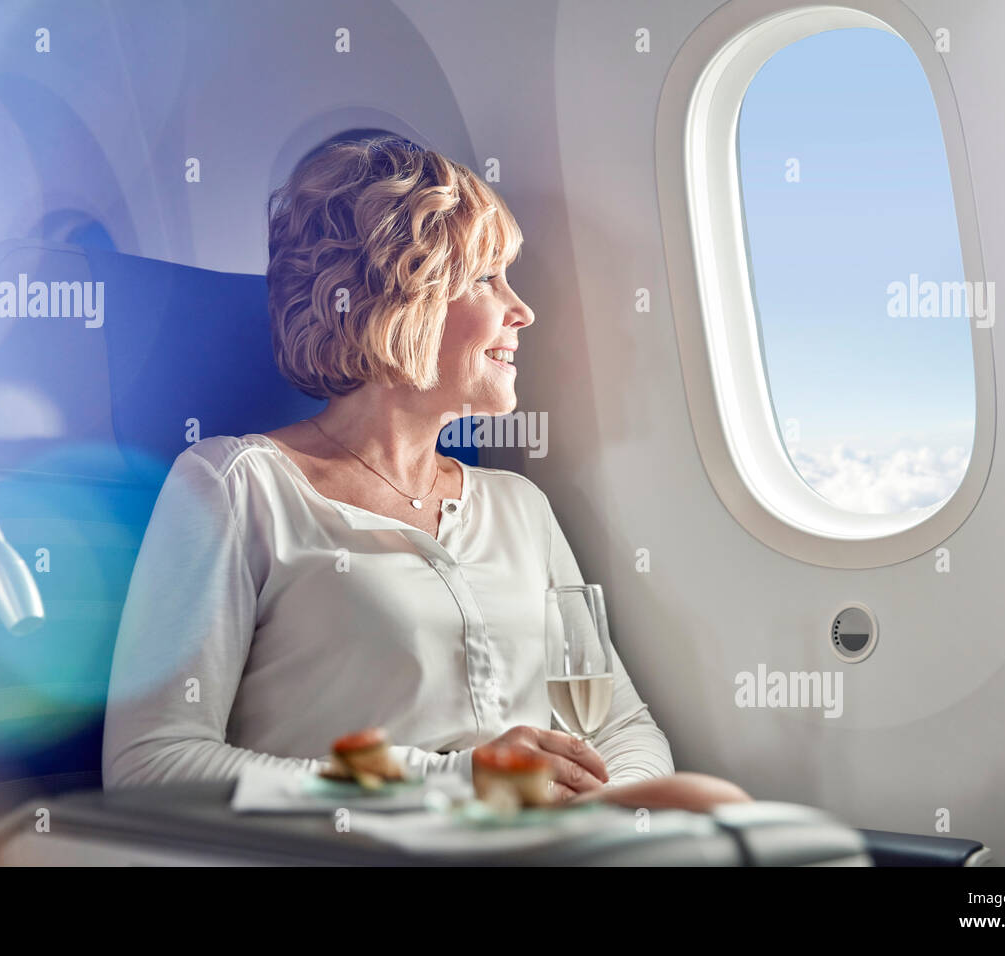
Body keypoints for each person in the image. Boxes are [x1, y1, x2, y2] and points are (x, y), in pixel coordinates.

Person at [102, 136, 749, 809]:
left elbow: (620, 726)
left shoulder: (518, 507)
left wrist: (602, 815)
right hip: (362, 851)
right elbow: (151, 762)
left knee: (717, 809)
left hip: (532, 846)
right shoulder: (236, 486)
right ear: (396, 297)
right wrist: (447, 781)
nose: (521, 310)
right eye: (485, 278)